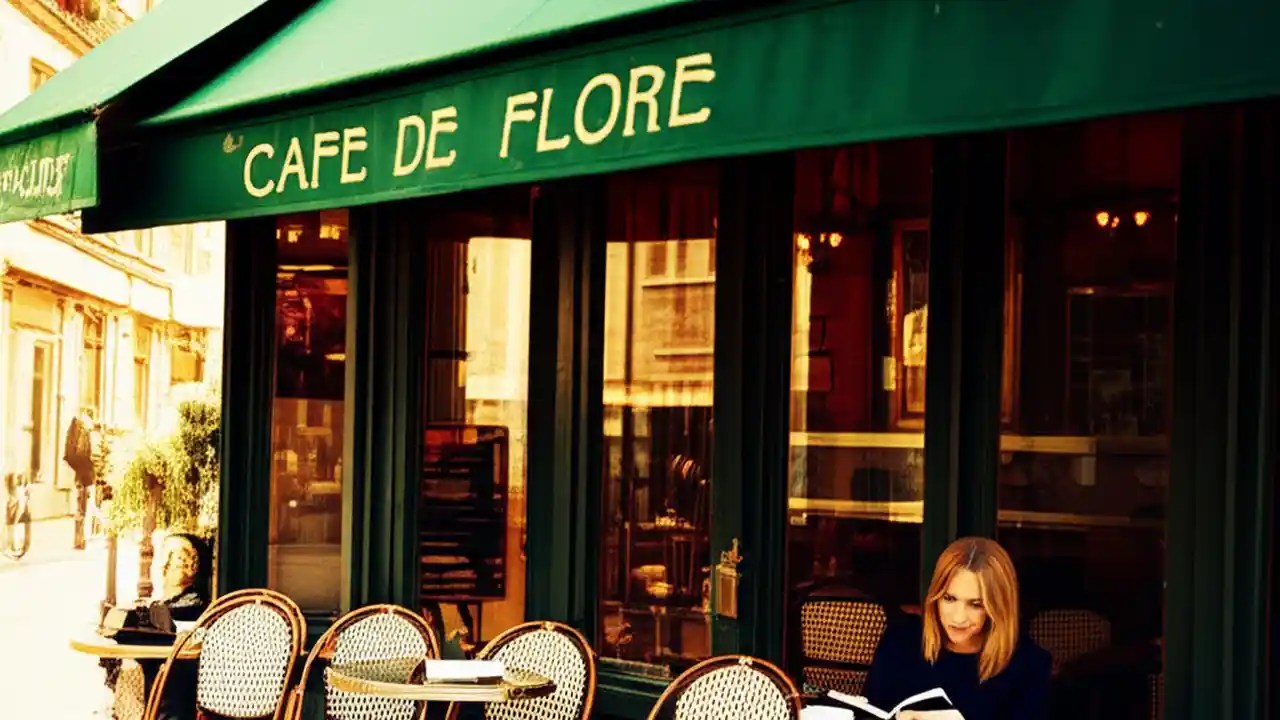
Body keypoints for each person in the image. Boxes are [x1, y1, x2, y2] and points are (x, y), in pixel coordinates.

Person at [863, 537, 1051, 720]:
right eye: (949, 599)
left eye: (976, 604)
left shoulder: (1029, 664)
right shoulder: (898, 644)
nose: (958, 617)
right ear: (935, 596)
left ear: (998, 607)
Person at [102, 533, 213, 720]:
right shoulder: (161, 608)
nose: (164, 565)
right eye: (164, 556)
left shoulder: (190, 609)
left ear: (192, 567)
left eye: (175, 557)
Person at [64, 407, 97, 549]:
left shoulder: (76, 429)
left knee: (80, 507)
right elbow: (84, 454)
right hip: (83, 474)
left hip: (78, 473)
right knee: (82, 507)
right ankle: (80, 540)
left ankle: (78, 539)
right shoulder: (83, 432)